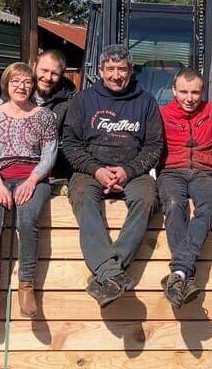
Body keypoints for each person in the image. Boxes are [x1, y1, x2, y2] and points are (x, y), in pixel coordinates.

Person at [62, 44, 163, 307]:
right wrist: (96, 170)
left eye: (122, 69)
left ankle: (108, 273)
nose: (116, 75)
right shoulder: (83, 100)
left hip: (133, 169)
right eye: (110, 69)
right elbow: (71, 144)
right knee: (82, 196)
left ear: (131, 70)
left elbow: (154, 146)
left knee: (148, 197)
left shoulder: (146, 101)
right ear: (100, 71)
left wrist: (128, 171)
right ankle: (112, 274)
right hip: (89, 169)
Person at [0, 62, 58, 318]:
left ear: (33, 86)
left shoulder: (45, 116)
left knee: (29, 219)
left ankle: (26, 285)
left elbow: (49, 154)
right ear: (6, 84)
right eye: (15, 82)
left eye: (27, 82)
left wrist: (32, 181)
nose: (21, 87)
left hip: (31, 176)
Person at [156, 68, 212, 307]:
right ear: (174, 90)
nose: (189, 98)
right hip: (172, 171)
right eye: (183, 92)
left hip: (204, 172)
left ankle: (178, 273)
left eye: (195, 93)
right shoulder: (162, 114)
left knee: (207, 205)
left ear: (202, 92)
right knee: (173, 205)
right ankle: (185, 275)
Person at [31, 49, 75, 180]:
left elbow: (70, 143)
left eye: (54, 73)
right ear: (34, 66)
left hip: (53, 171)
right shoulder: (17, 92)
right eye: (44, 70)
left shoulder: (69, 101)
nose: (48, 78)